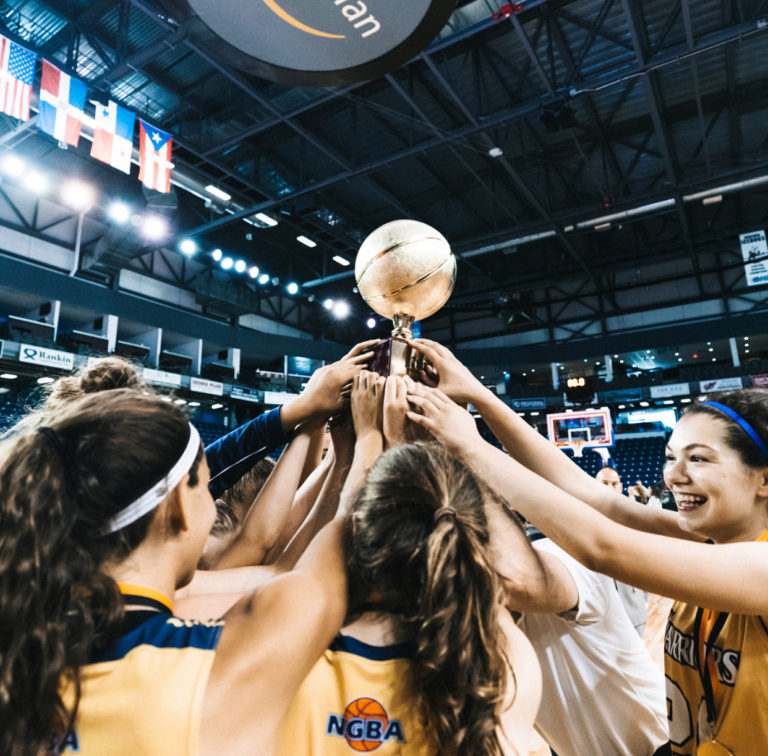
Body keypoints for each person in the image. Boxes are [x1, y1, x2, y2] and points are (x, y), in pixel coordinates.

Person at [408, 340, 768, 755]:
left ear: (763, 479)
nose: (675, 476)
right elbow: (589, 495)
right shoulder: (711, 540)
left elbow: (602, 546)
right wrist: (479, 396)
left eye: (699, 459)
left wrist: (469, 446)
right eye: (671, 457)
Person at [0, 389, 348, 755]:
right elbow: (312, 580)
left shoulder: (24, 629)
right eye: (206, 485)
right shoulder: (206, 658)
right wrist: (362, 443)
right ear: (181, 501)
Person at [278, 372, 542, 755]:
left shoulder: (290, 641)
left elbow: (308, 559)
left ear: (366, 529)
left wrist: (367, 441)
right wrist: (456, 449)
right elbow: (507, 574)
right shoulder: (503, 665)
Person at [594, 464, 649, 637]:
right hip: (599, 613)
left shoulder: (635, 518)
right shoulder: (584, 516)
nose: (609, 488)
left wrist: (642, 600)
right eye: (604, 483)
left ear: (620, 487)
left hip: (632, 608)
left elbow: (645, 562)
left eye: (613, 483)